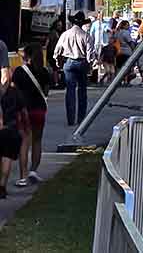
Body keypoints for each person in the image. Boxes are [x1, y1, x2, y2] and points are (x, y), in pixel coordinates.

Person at [12, 43, 49, 185]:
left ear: (26, 55)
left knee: (24, 142)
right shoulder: (44, 71)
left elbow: (14, 90)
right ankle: (34, 170)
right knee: (37, 141)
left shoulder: (19, 72)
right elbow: (45, 91)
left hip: (24, 110)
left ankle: (23, 177)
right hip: (39, 110)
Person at [52, 10, 91, 126]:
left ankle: (70, 119)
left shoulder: (65, 34)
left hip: (68, 63)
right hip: (82, 62)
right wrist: (90, 66)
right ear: (82, 23)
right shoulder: (86, 36)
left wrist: (58, 62)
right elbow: (90, 54)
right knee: (82, 91)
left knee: (70, 91)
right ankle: (81, 119)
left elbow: (57, 51)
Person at [0, 81, 28, 197]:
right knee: (7, 158)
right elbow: (24, 113)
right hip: (11, 130)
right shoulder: (15, 92)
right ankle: (2, 186)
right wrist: (26, 128)